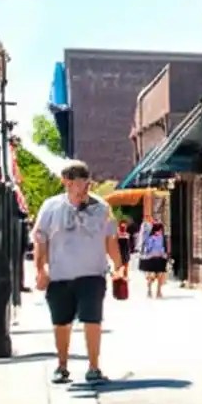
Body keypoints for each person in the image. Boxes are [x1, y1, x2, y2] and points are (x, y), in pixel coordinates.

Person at [32, 160, 125, 385]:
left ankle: (94, 367)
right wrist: (40, 269)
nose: (85, 188)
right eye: (80, 183)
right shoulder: (51, 206)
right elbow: (40, 238)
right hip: (60, 274)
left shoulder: (101, 208)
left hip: (92, 273)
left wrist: (118, 267)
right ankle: (62, 366)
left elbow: (111, 238)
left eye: (87, 182)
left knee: (92, 319)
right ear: (67, 182)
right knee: (61, 322)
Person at [138, 222, 169, 298]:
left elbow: (164, 248)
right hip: (151, 259)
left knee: (160, 276)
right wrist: (151, 254)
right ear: (155, 230)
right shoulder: (150, 238)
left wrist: (164, 254)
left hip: (160, 259)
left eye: (161, 230)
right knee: (151, 277)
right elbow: (147, 249)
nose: (160, 232)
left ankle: (158, 291)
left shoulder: (162, 238)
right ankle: (149, 290)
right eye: (159, 230)